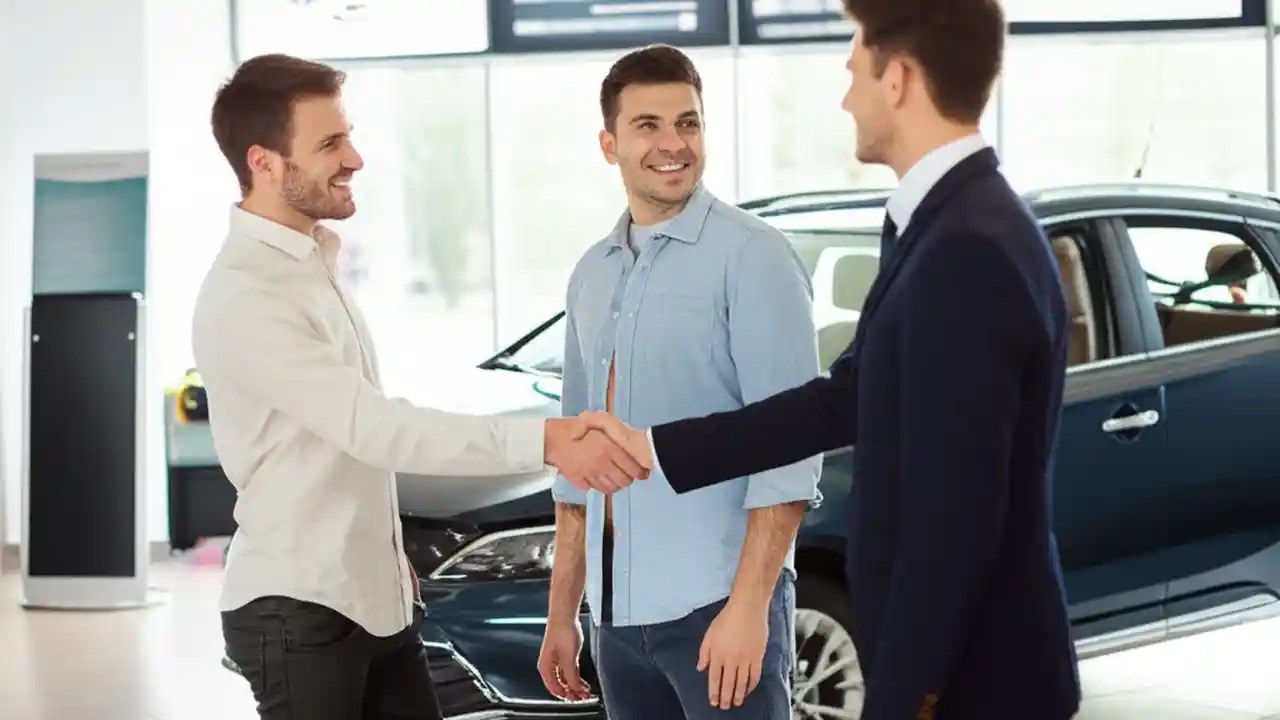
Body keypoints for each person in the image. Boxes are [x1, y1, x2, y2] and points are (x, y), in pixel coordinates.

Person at [576, 2, 1084, 718]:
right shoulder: (940, 225)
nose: (848, 98)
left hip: (973, 680)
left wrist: (907, 697)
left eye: (856, 73)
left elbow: (955, 517)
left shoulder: (966, 248)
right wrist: (656, 448)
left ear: (899, 79)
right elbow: (841, 400)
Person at [193, 53, 646, 720]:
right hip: (301, 614)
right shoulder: (248, 295)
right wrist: (550, 440)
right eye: (330, 143)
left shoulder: (310, 263)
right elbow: (376, 428)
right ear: (264, 162)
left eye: (347, 136)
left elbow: (339, 453)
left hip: (372, 601)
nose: (355, 158)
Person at [534, 45, 822, 720]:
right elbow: (577, 459)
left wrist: (750, 609)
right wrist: (563, 613)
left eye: (688, 123)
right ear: (610, 144)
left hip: (717, 608)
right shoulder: (592, 273)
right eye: (649, 126)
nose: (673, 144)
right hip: (616, 622)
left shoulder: (754, 257)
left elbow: (789, 452)